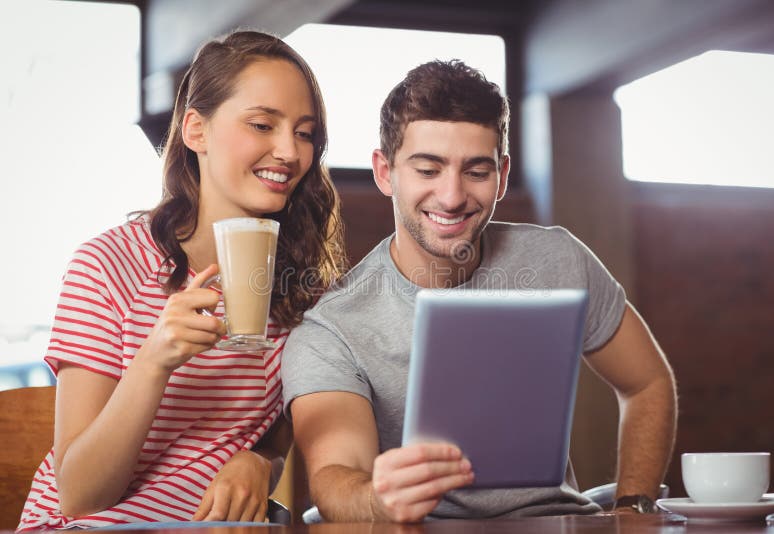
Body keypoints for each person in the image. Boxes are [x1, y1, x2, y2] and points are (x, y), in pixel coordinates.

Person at [281, 60, 677, 523]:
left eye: (476, 171)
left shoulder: (558, 258)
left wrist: (633, 509)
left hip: (555, 523)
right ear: (385, 172)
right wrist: (376, 499)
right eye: (428, 170)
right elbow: (335, 477)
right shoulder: (332, 328)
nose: (452, 197)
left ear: (502, 175)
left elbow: (647, 383)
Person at [17, 30, 346, 531]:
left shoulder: (303, 290)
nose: (288, 151)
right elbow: (80, 493)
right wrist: (154, 361)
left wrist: (262, 459)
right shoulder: (107, 265)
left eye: (304, 133)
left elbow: (282, 416)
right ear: (196, 130)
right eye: (262, 124)